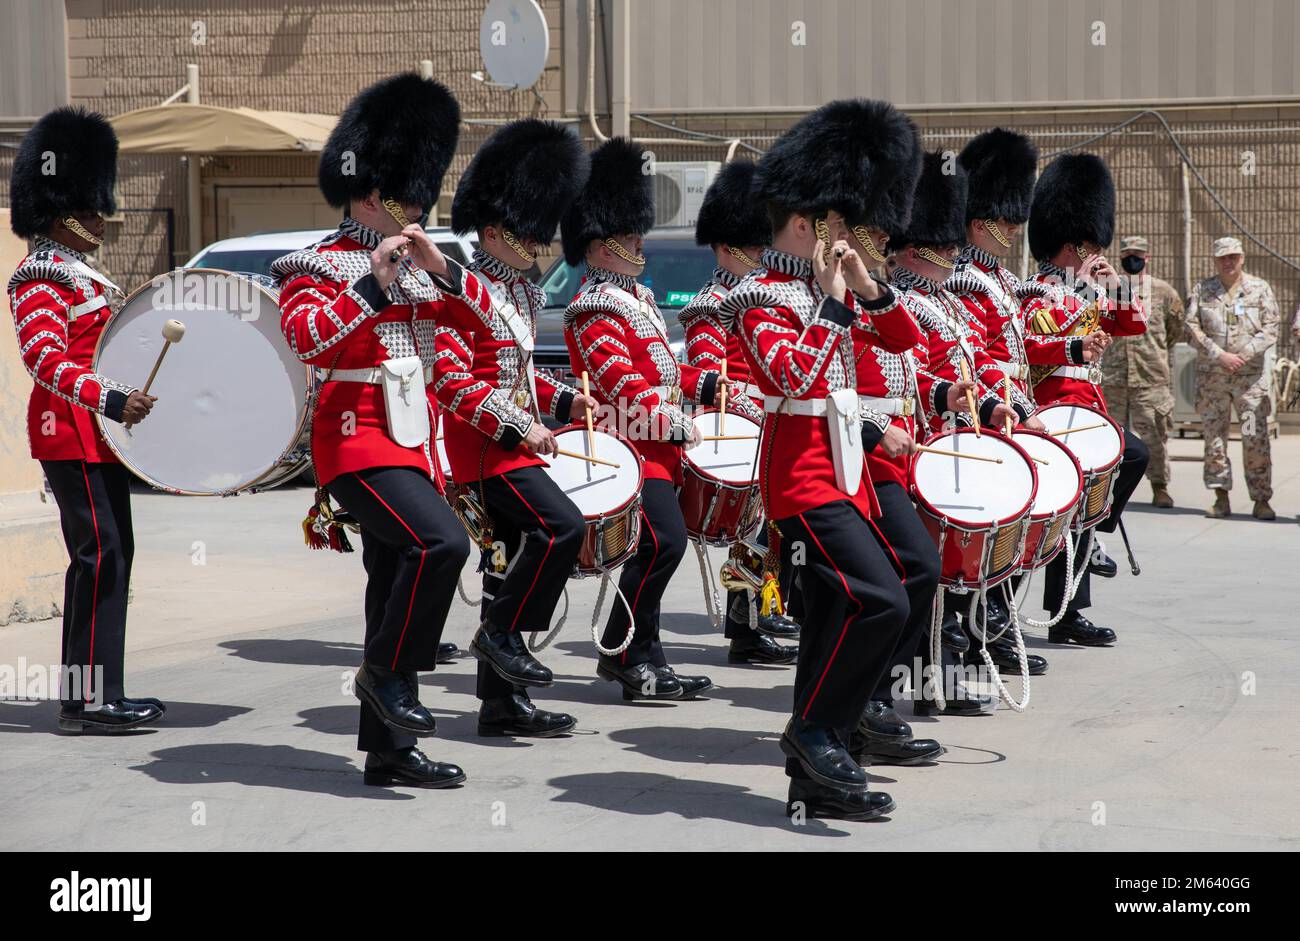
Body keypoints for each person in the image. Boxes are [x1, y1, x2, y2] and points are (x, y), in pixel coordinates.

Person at [274, 73, 470, 788]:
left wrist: (445, 276)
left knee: (392, 585)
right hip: (355, 439)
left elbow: (465, 349)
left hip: (417, 442)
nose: (418, 205)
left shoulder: (420, 267)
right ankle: (385, 675)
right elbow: (307, 341)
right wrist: (370, 284)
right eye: (407, 193)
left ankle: (388, 748)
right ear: (371, 191)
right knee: (441, 543)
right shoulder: (318, 263)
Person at [723, 99, 914, 821]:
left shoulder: (823, 287)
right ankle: (813, 731)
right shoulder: (759, 297)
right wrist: (834, 303)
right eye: (834, 222)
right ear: (804, 223)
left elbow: (902, 344)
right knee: (884, 597)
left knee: (836, 616)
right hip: (799, 481)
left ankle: (817, 779)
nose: (844, 233)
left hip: (842, 472)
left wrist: (863, 288)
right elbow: (791, 378)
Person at [433, 119, 595, 737]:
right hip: (483, 447)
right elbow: (451, 382)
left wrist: (560, 404)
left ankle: (501, 706)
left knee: (505, 563)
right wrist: (518, 425)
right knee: (562, 527)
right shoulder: (459, 289)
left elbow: (516, 377)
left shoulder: (522, 295)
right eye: (529, 237)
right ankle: (499, 633)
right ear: (496, 232)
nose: (539, 247)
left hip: (513, 438)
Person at [7, 107, 164, 733]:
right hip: (69, 427)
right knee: (100, 557)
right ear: (61, 212)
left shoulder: (83, 273)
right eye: (92, 208)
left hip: (95, 428)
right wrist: (108, 399)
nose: (102, 217)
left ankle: (93, 694)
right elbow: (44, 361)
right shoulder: (40, 275)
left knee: (111, 556)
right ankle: (92, 701)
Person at [561, 137, 719, 702]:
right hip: (627, 443)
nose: (639, 242)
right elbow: (619, 382)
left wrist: (705, 385)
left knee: (660, 546)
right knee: (661, 544)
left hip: (656, 443)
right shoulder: (594, 305)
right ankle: (628, 655)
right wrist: (673, 422)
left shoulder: (636, 298)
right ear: (601, 248)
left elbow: (663, 372)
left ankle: (640, 656)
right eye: (628, 237)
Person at [887, 150, 1023, 715]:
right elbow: (911, 374)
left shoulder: (942, 302)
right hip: (926, 443)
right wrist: (948, 396)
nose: (952, 255)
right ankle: (922, 678)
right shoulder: (904, 303)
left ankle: (941, 671)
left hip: (957, 438)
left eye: (950, 245)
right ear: (917, 249)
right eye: (943, 247)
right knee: (931, 568)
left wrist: (994, 404)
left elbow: (973, 363)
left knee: (948, 571)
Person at [832, 102, 945, 764]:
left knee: (907, 577)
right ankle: (863, 703)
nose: (884, 241)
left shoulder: (872, 294)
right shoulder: (831, 297)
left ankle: (864, 705)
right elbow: (818, 387)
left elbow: (907, 354)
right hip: (858, 461)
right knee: (910, 572)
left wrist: (948, 396)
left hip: (893, 457)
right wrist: (878, 430)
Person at [1022, 152, 1149, 647]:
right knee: (1061, 515)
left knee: (1133, 457)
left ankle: (1070, 609)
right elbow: (1029, 348)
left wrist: (1116, 283)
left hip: (1089, 412)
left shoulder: (1095, 292)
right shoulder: (1036, 292)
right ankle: (1054, 611)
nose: (1098, 252)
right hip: (1053, 414)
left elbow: (1134, 322)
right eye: (1091, 244)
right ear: (1069, 244)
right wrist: (1072, 345)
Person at [679, 160, 799, 666]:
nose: (761, 253)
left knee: (770, 529)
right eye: (753, 247)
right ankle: (747, 631)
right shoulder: (712, 305)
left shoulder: (765, 297)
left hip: (768, 423)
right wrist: (766, 412)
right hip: (744, 427)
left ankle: (763, 617)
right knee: (751, 532)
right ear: (727, 249)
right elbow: (713, 379)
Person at [949, 127, 1051, 676]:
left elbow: (1012, 350)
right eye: (1005, 220)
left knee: (1011, 530)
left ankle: (995, 627)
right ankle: (985, 630)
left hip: (1007, 408)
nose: (1014, 229)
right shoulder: (967, 281)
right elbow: (978, 361)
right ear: (977, 221)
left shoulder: (1000, 280)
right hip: (984, 415)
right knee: (991, 534)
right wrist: (1009, 407)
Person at [1183, 236, 1280, 520]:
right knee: (1214, 440)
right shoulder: (1204, 290)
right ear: (1215, 260)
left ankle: (1261, 499)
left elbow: (1271, 327)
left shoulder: (1259, 289)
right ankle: (1220, 497)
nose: (1228, 262)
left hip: (1248, 384)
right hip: (1214, 383)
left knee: (1253, 437)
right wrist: (1219, 355)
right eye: (1223, 257)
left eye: (1233, 257)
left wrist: (1244, 355)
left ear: (1243, 257)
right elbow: (1191, 328)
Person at [1103, 236, 1184, 509]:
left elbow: (1175, 329)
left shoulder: (1163, 291)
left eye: (1138, 254)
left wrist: (1154, 354)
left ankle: (1159, 487)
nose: (1132, 259)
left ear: (1147, 258)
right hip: (1113, 377)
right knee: (1111, 438)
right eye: (1127, 254)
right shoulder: (1104, 289)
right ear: (1121, 257)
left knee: (1155, 437)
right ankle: (1108, 493)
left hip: (1150, 379)